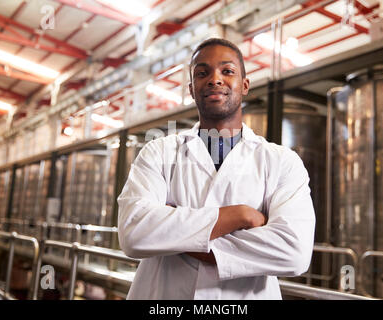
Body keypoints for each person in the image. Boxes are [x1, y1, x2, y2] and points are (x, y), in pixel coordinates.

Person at [117, 38, 316, 299]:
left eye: (227, 71)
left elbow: (294, 252)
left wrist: (174, 233)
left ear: (244, 85)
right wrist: (240, 216)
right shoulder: (158, 152)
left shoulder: (281, 162)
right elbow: (134, 233)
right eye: (202, 73)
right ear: (191, 89)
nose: (214, 79)